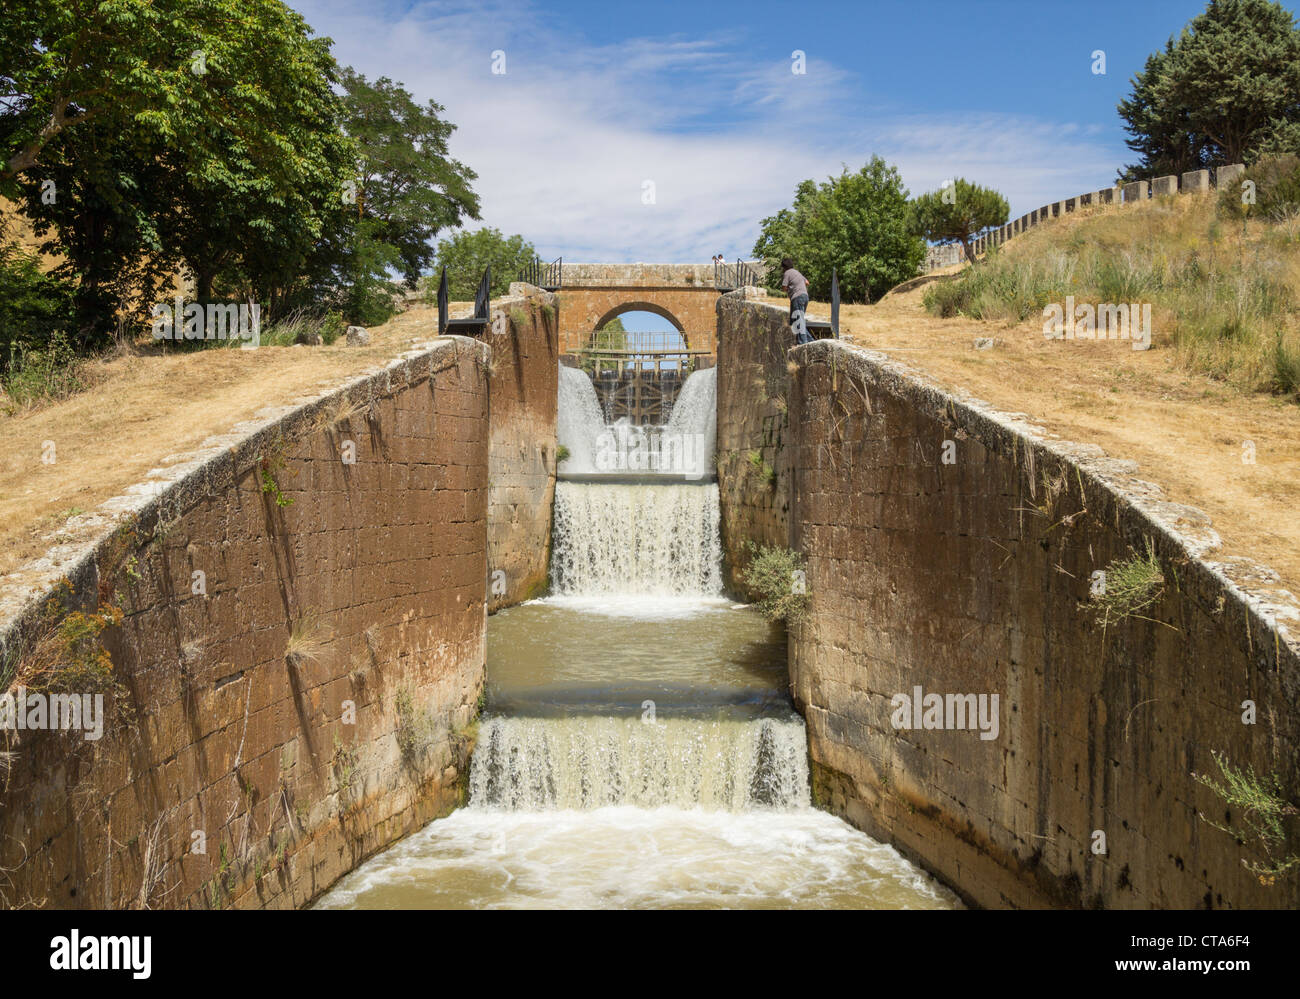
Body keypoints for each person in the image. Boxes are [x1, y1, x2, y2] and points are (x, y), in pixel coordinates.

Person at [780, 257, 812, 345]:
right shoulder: (797, 272)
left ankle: (803, 342)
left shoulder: (787, 273)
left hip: (797, 298)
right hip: (805, 296)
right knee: (795, 321)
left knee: (798, 320)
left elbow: (784, 287)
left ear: (784, 267)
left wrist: (787, 289)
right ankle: (810, 340)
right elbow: (807, 282)